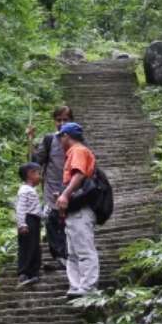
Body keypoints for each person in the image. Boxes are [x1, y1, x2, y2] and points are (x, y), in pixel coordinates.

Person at [53, 122, 100, 296]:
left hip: (81, 209)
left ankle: (88, 287)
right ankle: (76, 286)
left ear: (66, 136)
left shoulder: (78, 150)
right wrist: (64, 194)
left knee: (84, 249)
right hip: (74, 209)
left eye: (60, 136)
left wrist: (65, 194)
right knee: (72, 252)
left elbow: (79, 173)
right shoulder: (74, 152)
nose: (59, 140)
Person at [26, 106, 74, 263]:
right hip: (52, 187)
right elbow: (35, 162)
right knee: (52, 220)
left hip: (72, 187)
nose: (61, 123)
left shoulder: (77, 139)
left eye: (65, 120)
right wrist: (30, 140)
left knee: (70, 220)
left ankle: (69, 252)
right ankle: (59, 255)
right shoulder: (49, 140)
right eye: (58, 120)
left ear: (71, 120)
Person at [13, 162, 45, 284]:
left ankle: (33, 272)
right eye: (38, 173)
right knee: (27, 246)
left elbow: (35, 209)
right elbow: (20, 208)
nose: (40, 176)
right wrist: (22, 224)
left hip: (34, 221)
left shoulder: (30, 190)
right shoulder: (25, 190)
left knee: (35, 246)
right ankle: (24, 272)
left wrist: (44, 214)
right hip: (28, 221)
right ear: (30, 174)